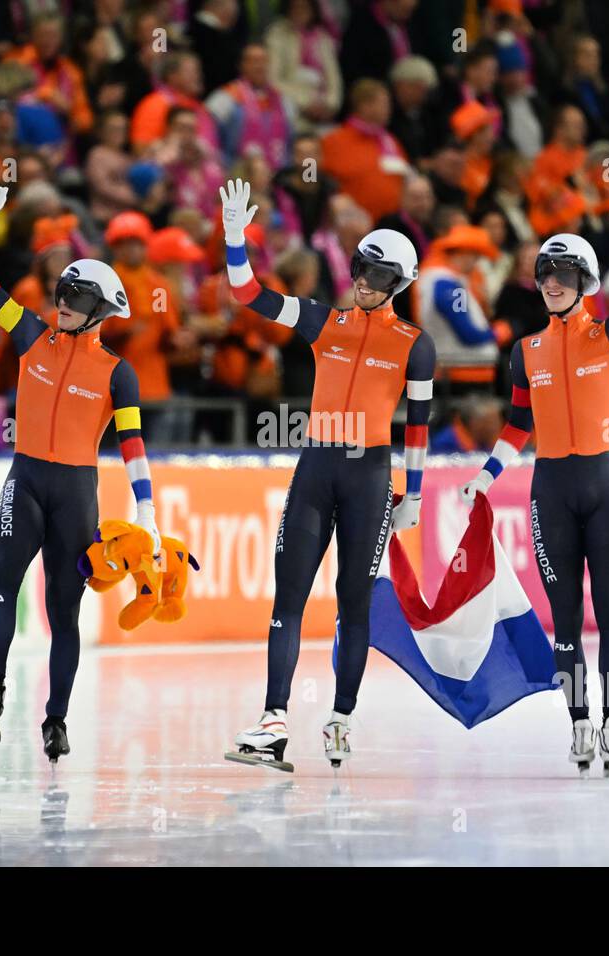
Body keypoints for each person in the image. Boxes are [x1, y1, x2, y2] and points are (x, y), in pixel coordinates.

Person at [459, 199, 609, 776]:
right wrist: (487, 475)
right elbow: (517, 425)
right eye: (544, 276)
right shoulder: (525, 351)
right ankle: (579, 723)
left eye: (563, 277)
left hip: (605, 486)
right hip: (550, 489)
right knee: (563, 619)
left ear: (584, 282)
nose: (551, 286)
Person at [219, 178, 435, 770]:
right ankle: (272, 722)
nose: (366, 285)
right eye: (361, 272)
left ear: (400, 285)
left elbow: (418, 425)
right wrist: (236, 238)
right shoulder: (323, 321)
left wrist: (413, 492)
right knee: (287, 594)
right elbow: (249, 294)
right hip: (316, 467)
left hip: (369, 478)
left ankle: (341, 716)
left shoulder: (416, 344)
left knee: (353, 601)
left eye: (380, 279)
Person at [0, 185, 161, 765]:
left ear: (102, 308)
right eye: (61, 292)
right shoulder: (30, 335)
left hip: (76, 496)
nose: (63, 302)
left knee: (64, 612)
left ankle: (57, 720)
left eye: (76, 296)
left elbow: (133, 446)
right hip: (25, 481)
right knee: (3, 582)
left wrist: (147, 511)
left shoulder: (118, 373)